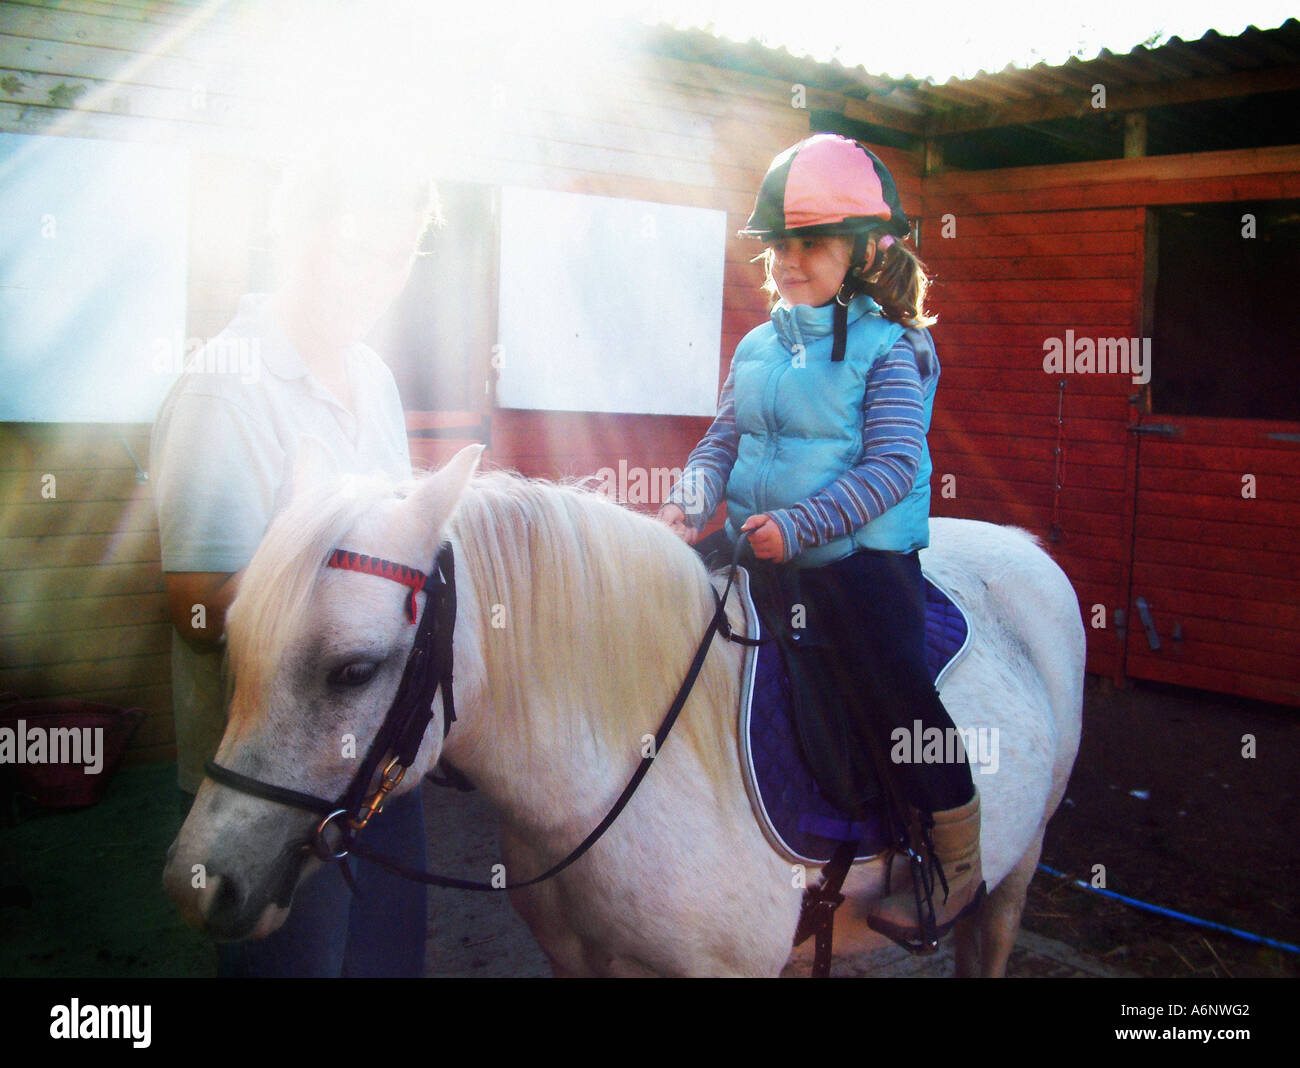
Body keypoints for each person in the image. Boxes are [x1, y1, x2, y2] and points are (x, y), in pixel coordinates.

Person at [656, 133, 983, 948]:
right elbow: (720, 440)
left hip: (859, 561)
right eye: (781, 245)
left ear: (866, 255)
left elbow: (892, 464)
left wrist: (800, 526)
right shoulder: (760, 344)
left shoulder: (890, 351)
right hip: (756, 545)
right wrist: (687, 501)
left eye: (812, 243)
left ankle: (954, 858)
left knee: (895, 685)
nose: (790, 261)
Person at [150, 153, 438, 976]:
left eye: (396, 258)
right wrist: (348, 614)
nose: (376, 281)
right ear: (293, 233)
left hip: (376, 773)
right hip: (271, 786)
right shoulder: (224, 389)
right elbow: (197, 609)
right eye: (355, 250)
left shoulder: (373, 376)